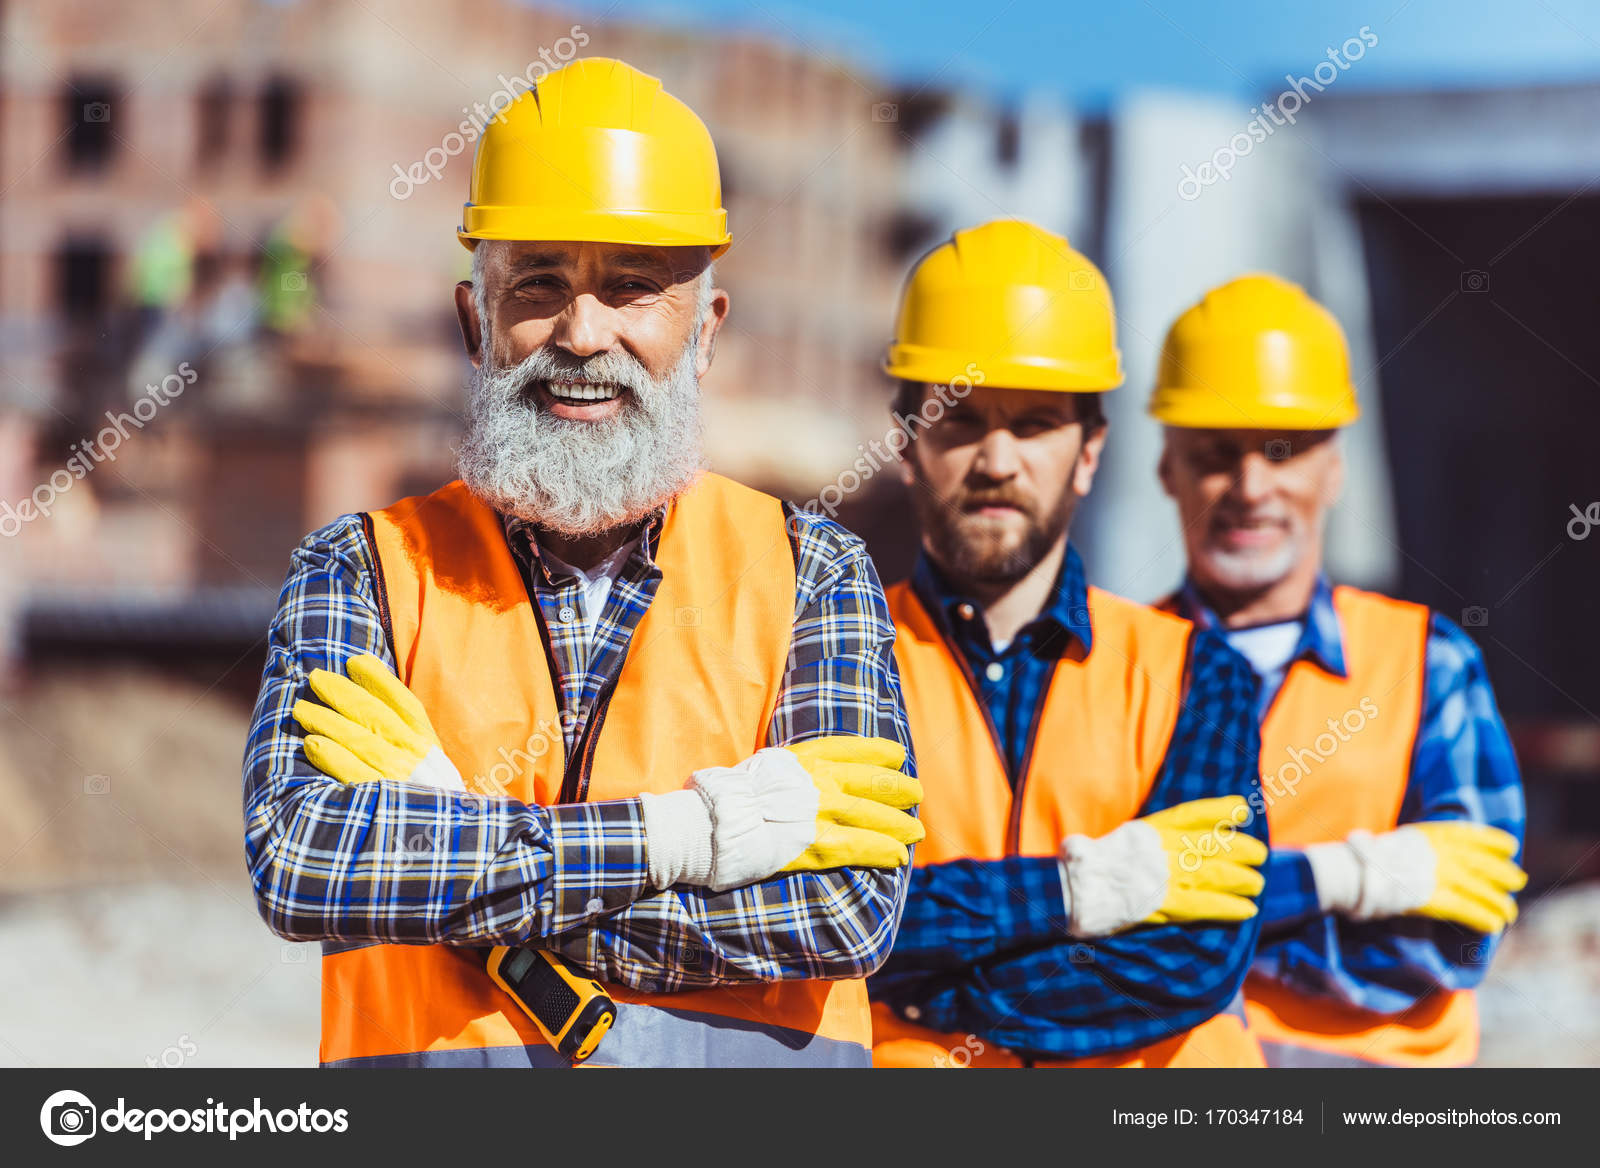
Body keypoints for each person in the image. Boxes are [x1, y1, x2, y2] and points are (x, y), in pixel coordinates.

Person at [242, 58, 923, 1069]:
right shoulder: (360, 570)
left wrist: (457, 860)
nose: (580, 333)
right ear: (476, 325)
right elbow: (308, 865)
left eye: (633, 290)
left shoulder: (813, 572)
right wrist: (682, 836)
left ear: (705, 333)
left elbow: (845, 908)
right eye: (539, 283)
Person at [867, 219, 1269, 1067]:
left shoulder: (1200, 678)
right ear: (907, 443)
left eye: (1037, 423)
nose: (998, 459)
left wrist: (924, 984)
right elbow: (821, 917)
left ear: (1089, 452)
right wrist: (1075, 893)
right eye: (961, 419)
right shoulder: (830, 654)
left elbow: (1189, 956)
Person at [1150, 273, 1527, 1067]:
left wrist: (1196, 931)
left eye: (1282, 450)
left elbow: (1455, 938)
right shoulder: (1115, 665)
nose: (1250, 488)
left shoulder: (1428, 666)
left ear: (1335, 471)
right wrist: (1349, 882)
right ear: (1166, 470)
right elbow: (1074, 919)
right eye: (1216, 454)